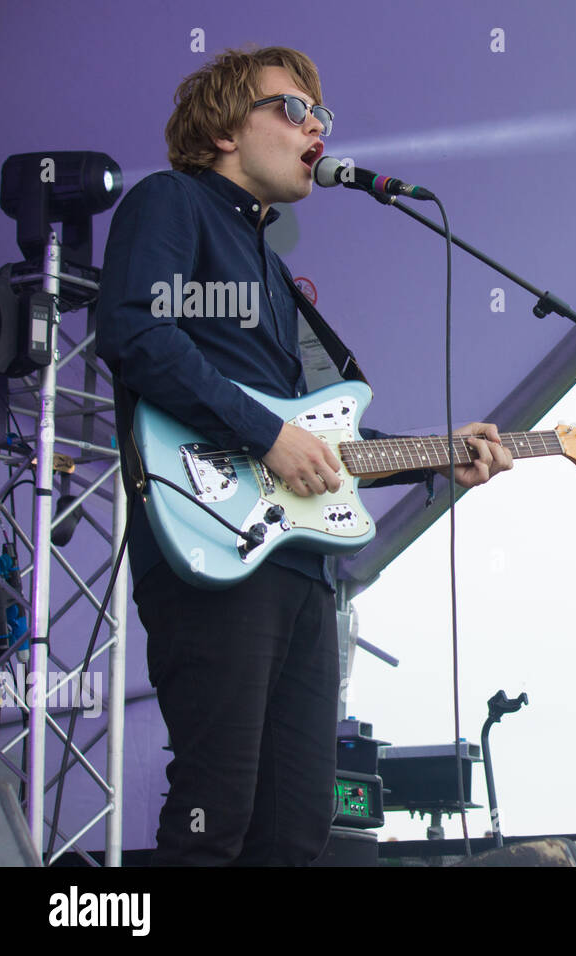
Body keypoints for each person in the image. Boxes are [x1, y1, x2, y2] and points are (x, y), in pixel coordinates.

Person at [96, 47, 512, 865]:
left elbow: (325, 440)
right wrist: (267, 434)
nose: (315, 127)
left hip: (299, 564)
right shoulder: (171, 201)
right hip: (208, 542)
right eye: (293, 110)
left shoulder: (276, 274)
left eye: (323, 116)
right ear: (223, 127)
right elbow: (136, 333)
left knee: (294, 828)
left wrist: (437, 454)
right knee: (215, 809)